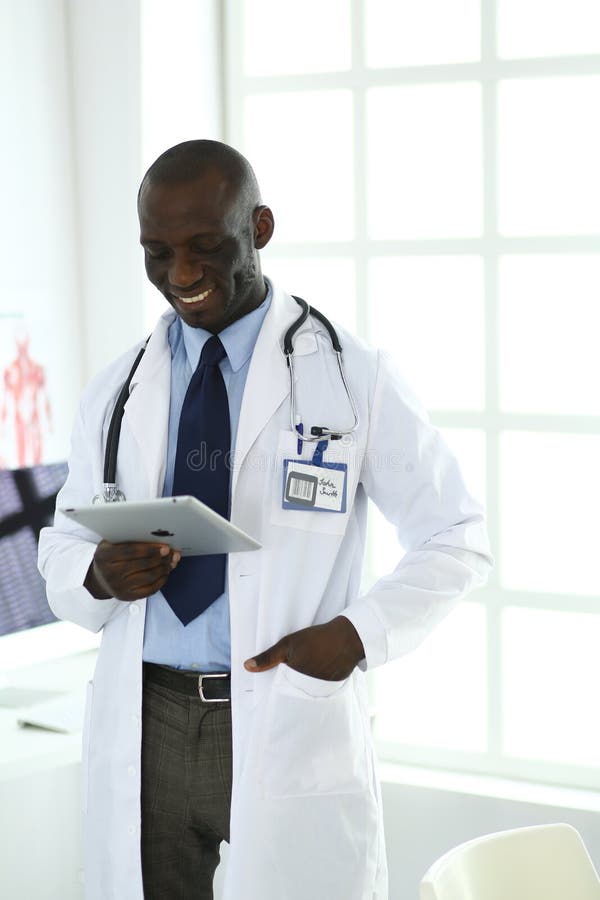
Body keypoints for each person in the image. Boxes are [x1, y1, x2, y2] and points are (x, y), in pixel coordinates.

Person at [38, 139, 492, 900]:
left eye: (205, 246)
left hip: (283, 709)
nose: (181, 274)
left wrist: (355, 636)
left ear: (260, 227)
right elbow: (64, 537)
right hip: (147, 718)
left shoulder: (352, 376)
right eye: (157, 252)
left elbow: (457, 535)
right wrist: (96, 573)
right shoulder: (118, 388)